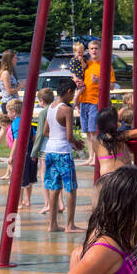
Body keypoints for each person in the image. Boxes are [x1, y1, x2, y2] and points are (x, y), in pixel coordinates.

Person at [44, 80, 82, 234]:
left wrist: (56, 137)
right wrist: (76, 143)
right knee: (70, 188)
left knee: (54, 187)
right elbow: (69, 136)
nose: (73, 97)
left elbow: (45, 132)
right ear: (68, 91)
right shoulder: (66, 109)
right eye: (73, 93)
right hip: (63, 152)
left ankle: (52, 224)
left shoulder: (50, 107)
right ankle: (70, 225)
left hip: (50, 150)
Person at [80, 39, 112, 166]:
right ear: (88, 50)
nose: (93, 50)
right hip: (84, 100)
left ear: (100, 50)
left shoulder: (105, 65)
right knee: (87, 132)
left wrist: (100, 81)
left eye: (96, 48)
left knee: (94, 131)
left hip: (95, 101)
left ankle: (96, 157)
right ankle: (90, 157)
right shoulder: (85, 64)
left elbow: (113, 86)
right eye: (91, 48)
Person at [0, 50, 21, 162]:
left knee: (4, 130)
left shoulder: (10, 73)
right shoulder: (5, 73)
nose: (16, 60)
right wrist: (20, 86)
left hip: (11, 103)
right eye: (15, 58)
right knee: (8, 129)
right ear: (10, 59)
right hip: (8, 104)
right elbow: (9, 91)